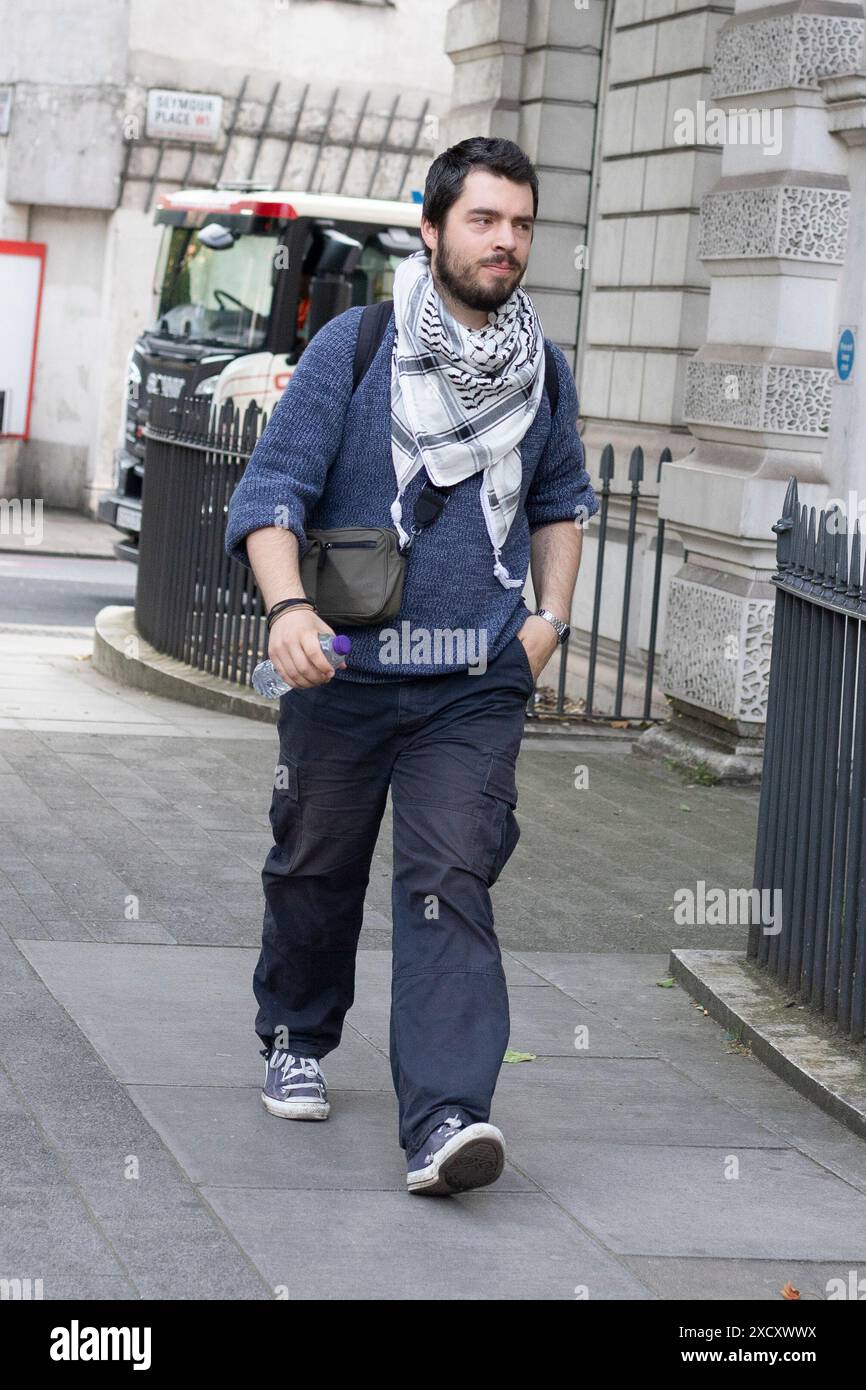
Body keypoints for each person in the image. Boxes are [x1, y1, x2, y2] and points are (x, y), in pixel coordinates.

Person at [224, 136, 599, 1196]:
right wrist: (288, 606)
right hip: (342, 671)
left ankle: (444, 1117)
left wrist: (548, 620)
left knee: (448, 878)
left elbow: (562, 500)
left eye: (520, 223)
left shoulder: (542, 371)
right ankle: (296, 1030)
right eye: (483, 220)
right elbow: (271, 495)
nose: (506, 241)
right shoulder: (358, 347)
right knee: (316, 863)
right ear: (431, 229)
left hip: (473, 682)